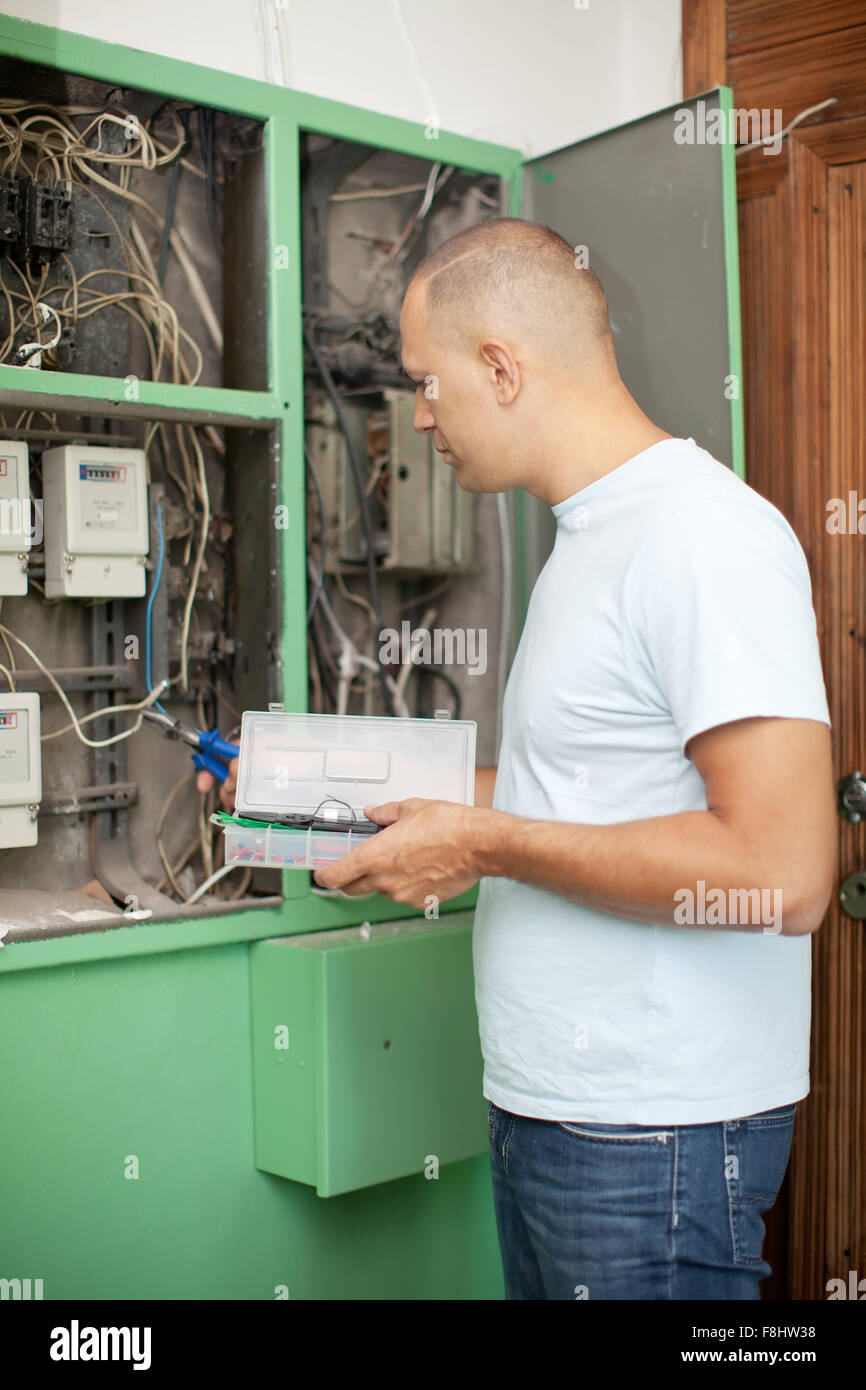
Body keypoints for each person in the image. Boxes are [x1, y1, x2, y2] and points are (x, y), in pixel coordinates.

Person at [201, 218, 835, 1300]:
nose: (421, 416)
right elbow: (574, 794)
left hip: (655, 1140)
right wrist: (314, 789)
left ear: (499, 365)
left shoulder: (704, 537)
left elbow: (779, 874)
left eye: (426, 383)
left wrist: (480, 842)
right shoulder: (587, 541)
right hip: (557, 1119)